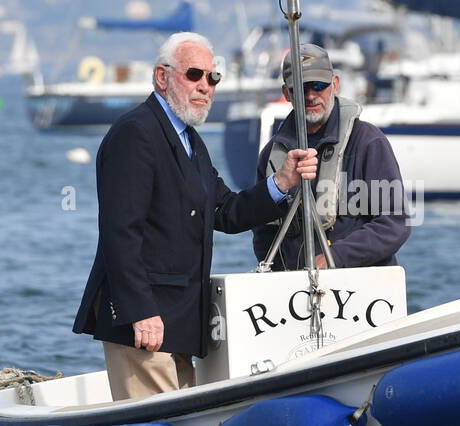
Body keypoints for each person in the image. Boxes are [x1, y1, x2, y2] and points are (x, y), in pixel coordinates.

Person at [73, 31, 317, 400]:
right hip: (145, 325)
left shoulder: (190, 141)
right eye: (194, 75)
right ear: (162, 76)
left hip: (181, 325)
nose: (205, 86)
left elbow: (226, 211)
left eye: (212, 77)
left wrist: (281, 182)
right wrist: (141, 311)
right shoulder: (135, 134)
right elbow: (120, 232)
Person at [252, 43, 410, 271]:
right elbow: (262, 233)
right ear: (287, 93)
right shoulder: (271, 156)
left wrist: (333, 257)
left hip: (362, 289)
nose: (311, 95)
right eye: (301, 88)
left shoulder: (368, 141)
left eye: (318, 85)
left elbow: (395, 223)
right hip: (293, 291)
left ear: (334, 84)